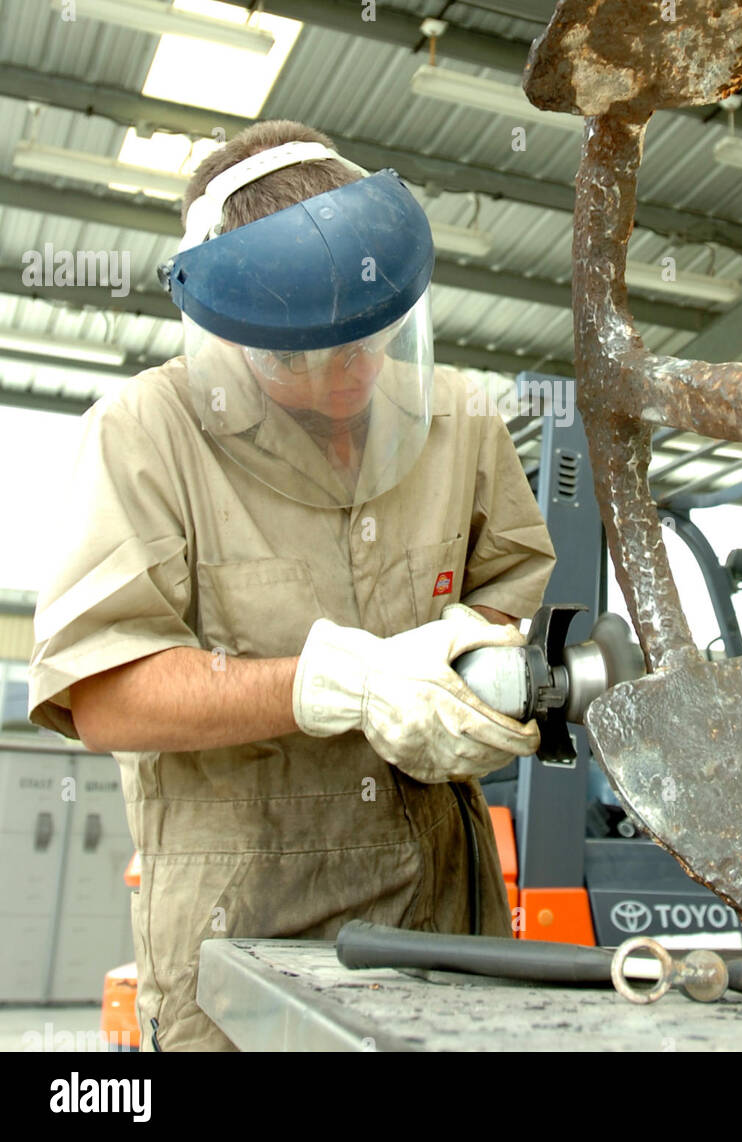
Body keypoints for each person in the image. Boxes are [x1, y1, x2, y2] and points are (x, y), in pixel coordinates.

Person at [27, 119, 558, 1051]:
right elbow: (103, 693)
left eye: (365, 342)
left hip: (451, 926)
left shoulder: (461, 416)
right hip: (244, 943)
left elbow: (514, 589)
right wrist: (337, 684)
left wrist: (470, 673)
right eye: (294, 357)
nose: (342, 380)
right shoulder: (142, 434)